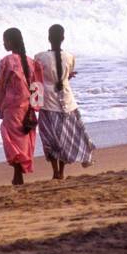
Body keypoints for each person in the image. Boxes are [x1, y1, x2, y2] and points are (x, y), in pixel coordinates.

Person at [34, 24, 95, 179]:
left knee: (50, 139)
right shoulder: (70, 57)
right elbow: (64, 76)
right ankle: (61, 171)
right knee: (65, 138)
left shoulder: (40, 57)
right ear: (63, 38)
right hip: (67, 101)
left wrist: (33, 103)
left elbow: (37, 81)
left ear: (49, 38)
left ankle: (55, 171)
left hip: (48, 102)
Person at [0, 27, 43, 185]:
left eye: (5, 40)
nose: (3, 43)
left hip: (12, 105)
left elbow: (0, 85)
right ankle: (19, 172)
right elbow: (37, 85)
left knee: (11, 139)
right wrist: (35, 107)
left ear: (10, 42)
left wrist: (0, 106)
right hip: (27, 105)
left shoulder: (6, 61)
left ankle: (17, 174)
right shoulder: (30, 61)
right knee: (23, 138)